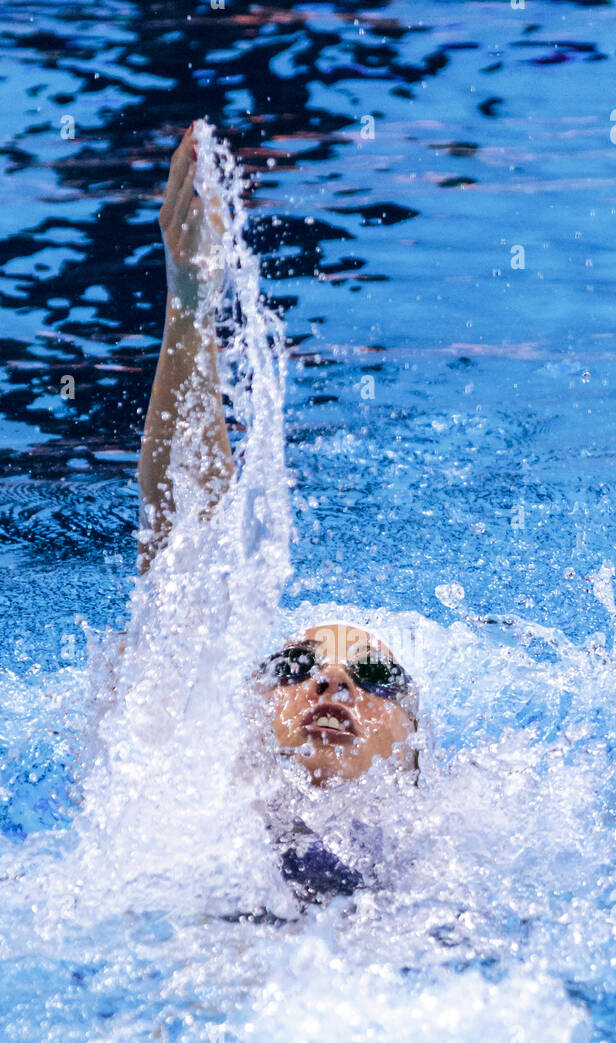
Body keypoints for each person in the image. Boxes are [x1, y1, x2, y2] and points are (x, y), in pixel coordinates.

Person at [137, 124, 420, 897]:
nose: (332, 685)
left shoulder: (473, 831)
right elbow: (181, 537)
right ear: (241, 712)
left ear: (417, 749)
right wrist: (191, 302)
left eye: (372, 676)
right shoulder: (178, 804)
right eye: (294, 669)